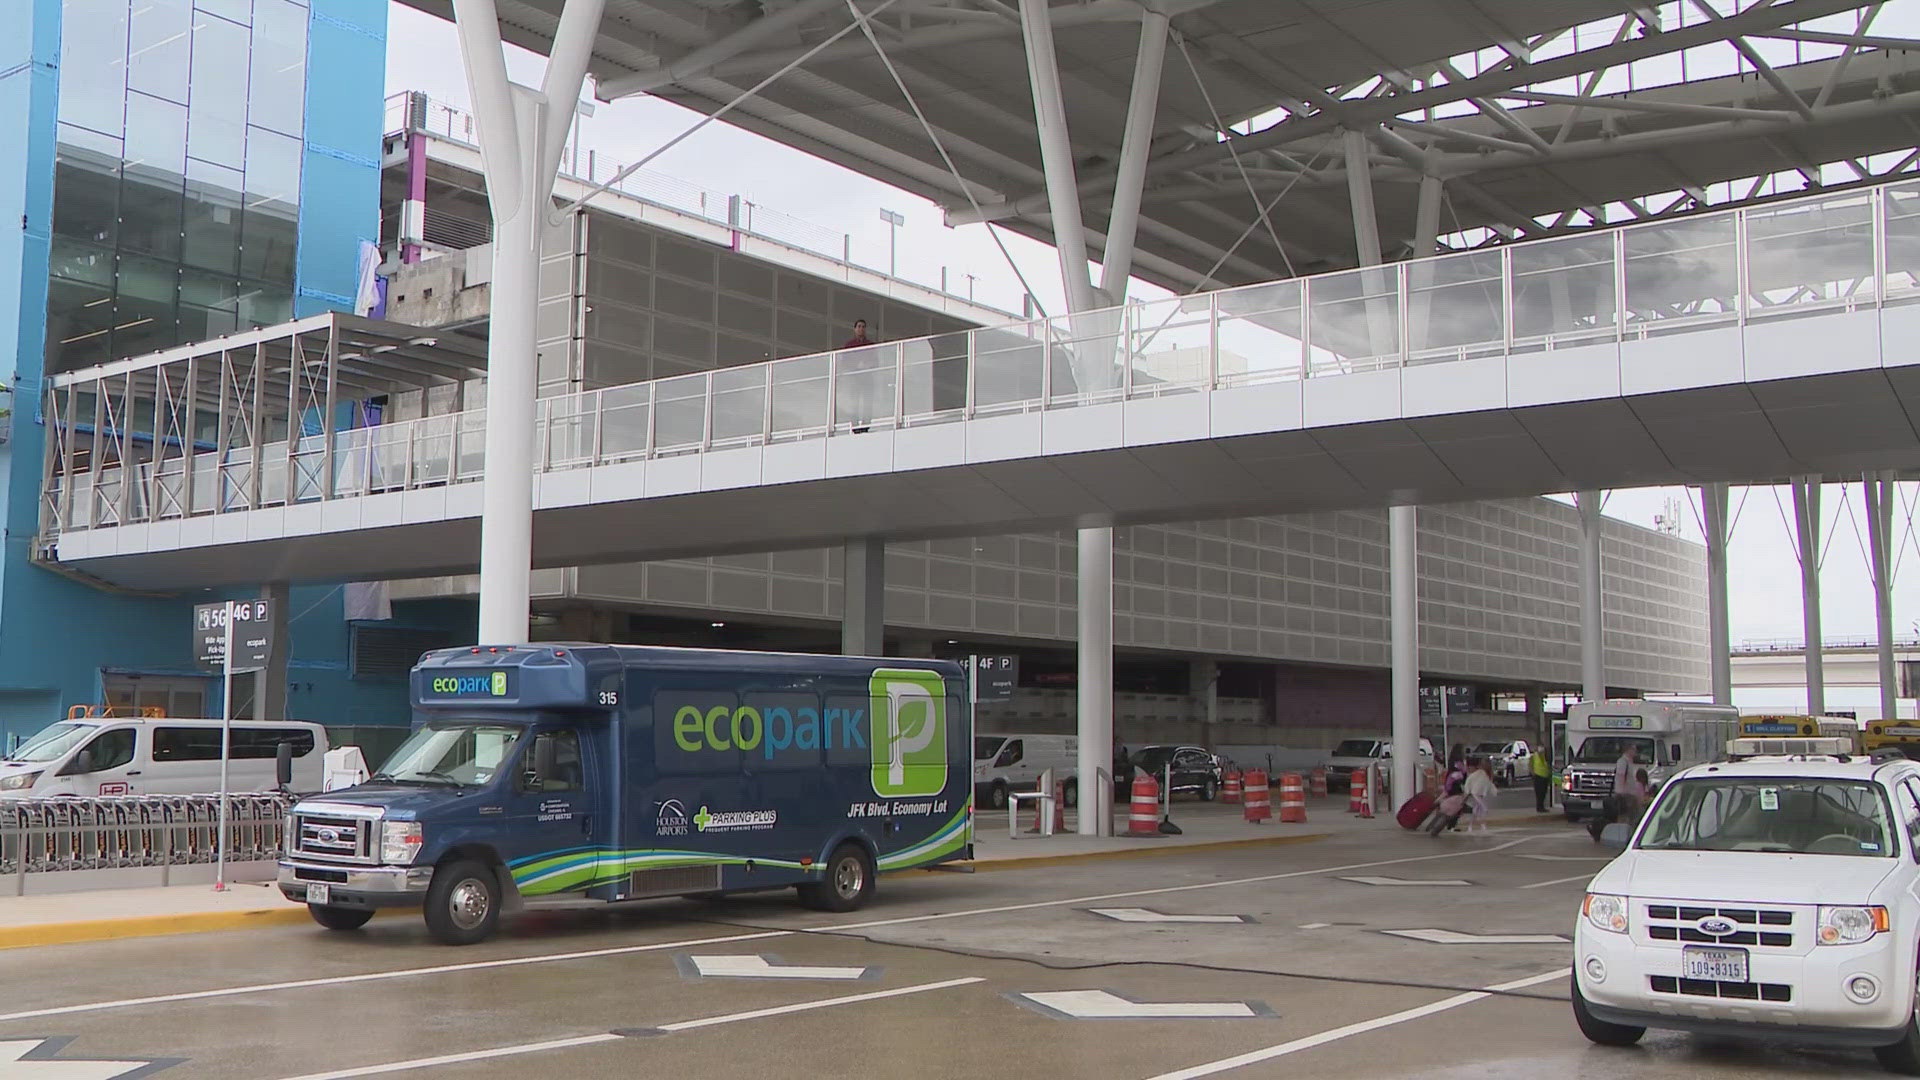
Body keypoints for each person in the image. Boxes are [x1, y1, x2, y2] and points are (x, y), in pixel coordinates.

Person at [1464, 757, 1498, 833]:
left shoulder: (1486, 774)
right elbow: (1470, 780)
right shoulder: (1480, 773)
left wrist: (1493, 791)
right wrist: (1467, 791)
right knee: (1484, 808)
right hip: (1475, 793)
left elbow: (1489, 784)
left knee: (1476, 810)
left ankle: (1471, 826)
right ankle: (1482, 824)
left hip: (1480, 794)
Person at [1530, 745, 1552, 814]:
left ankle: (1541, 807)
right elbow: (1530, 765)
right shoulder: (1534, 756)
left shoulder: (1545, 756)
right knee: (1539, 793)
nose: (1542, 750)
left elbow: (1547, 766)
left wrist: (1549, 774)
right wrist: (1533, 773)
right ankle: (1539, 807)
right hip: (1538, 776)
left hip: (1545, 776)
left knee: (1543, 793)